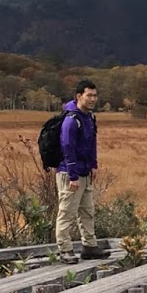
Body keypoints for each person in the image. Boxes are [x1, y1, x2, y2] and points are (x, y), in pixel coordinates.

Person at [54, 80, 107, 259]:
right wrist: (73, 175)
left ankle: (90, 246)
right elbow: (67, 147)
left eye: (95, 95)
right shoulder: (71, 120)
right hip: (70, 174)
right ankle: (65, 249)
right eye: (89, 95)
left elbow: (91, 143)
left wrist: (94, 165)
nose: (93, 99)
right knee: (67, 211)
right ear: (79, 96)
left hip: (85, 171)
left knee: (87, 211)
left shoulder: (89, 117)